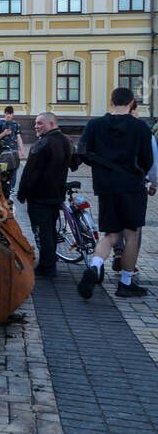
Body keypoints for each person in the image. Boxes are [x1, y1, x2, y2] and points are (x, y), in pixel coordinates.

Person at [76, 87, 153, 299]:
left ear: (111, 101)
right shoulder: (141, 128)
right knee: (131, 235)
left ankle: (94, 267)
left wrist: (100, 167)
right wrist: (139, 174)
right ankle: (126, 283)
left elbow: (82, 152)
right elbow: (147, 159)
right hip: (131, 187)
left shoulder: (94, 125)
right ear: (132, 103)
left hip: (106, 186)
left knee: (110, 235)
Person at [16, 112, 77, 277]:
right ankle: (50, 261)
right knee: (50, 230)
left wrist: (22, 194)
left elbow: (29, 172)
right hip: (56, 195)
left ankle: (47, 267)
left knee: (42, 232)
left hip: (39, 196)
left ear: (51, 124)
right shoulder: (66, 141)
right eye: (36, 123)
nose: (36, 126)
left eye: (40, 123)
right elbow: (75, 163)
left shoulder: (42, 144)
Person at [112, 101, 157, 275]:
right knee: (134, 228)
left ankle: (118, 252)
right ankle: (129, 268)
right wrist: (154, 184)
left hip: (112, 184)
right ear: (132, 110)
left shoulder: (108, 130)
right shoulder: (143, 131)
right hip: (136, 184)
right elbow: (152, 161)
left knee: (115, 221)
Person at [0, 106, 25, 200]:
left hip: (13, 152)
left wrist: (22, 149)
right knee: (3, 169)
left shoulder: (16, 124)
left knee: (14, 169)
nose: (8, 116)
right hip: (3, 152)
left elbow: (18, 137)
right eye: (7, 114)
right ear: (4, 114)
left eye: (10, 114)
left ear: (12, 114)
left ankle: (12, 188)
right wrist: (4, 133)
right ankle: (2, 187)